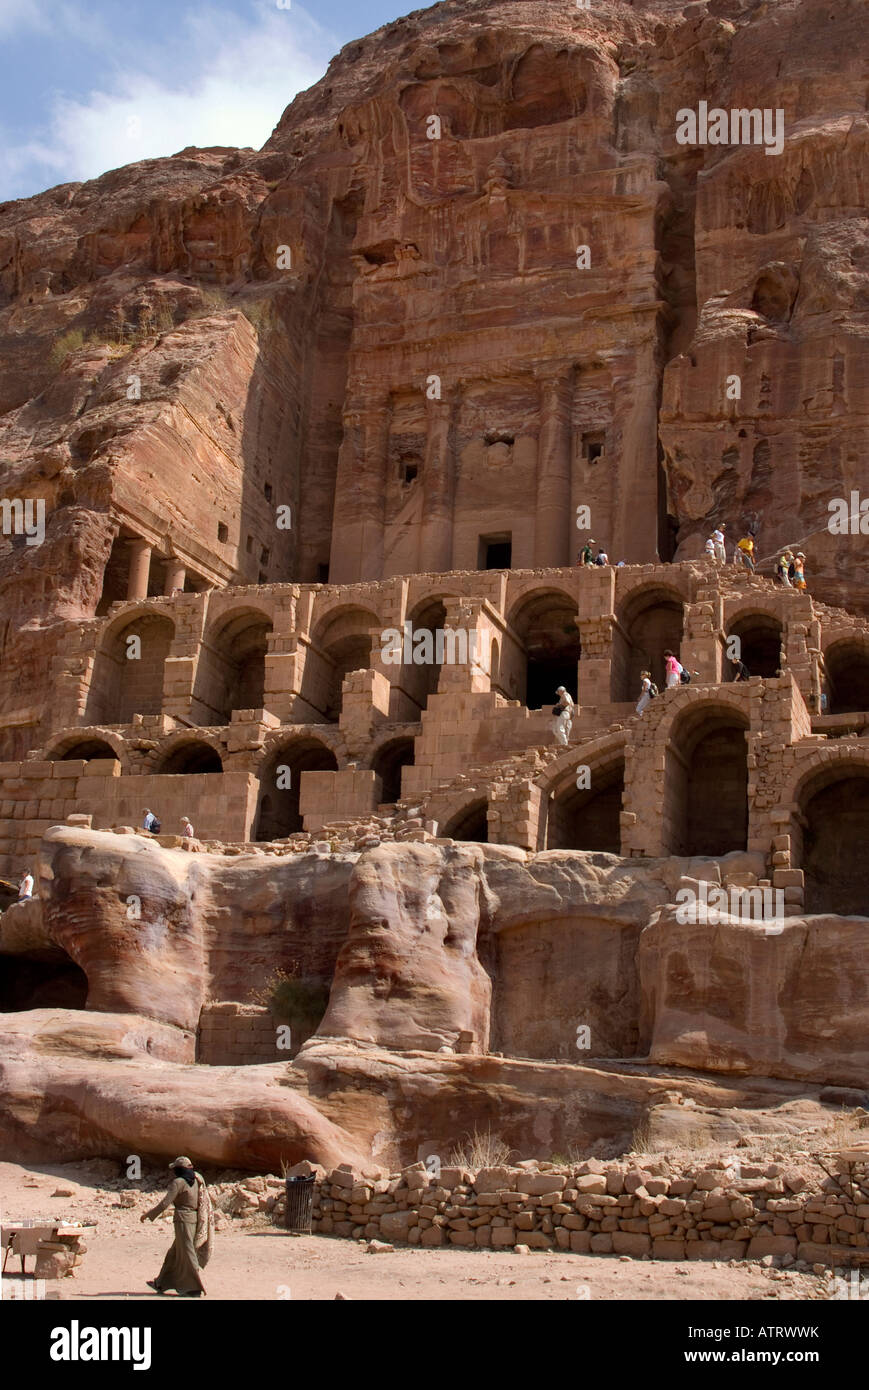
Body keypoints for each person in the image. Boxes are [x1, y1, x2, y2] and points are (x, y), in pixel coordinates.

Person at [141, 1156, 213, 1297]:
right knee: (173, 1254)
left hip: (182, 1221)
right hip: (194, 1219)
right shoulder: (197, 1180)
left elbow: (165, 1203)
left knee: (187, 1252)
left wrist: (148, 1215)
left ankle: (194, 1288)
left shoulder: (178, 1182)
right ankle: (161, 1283)